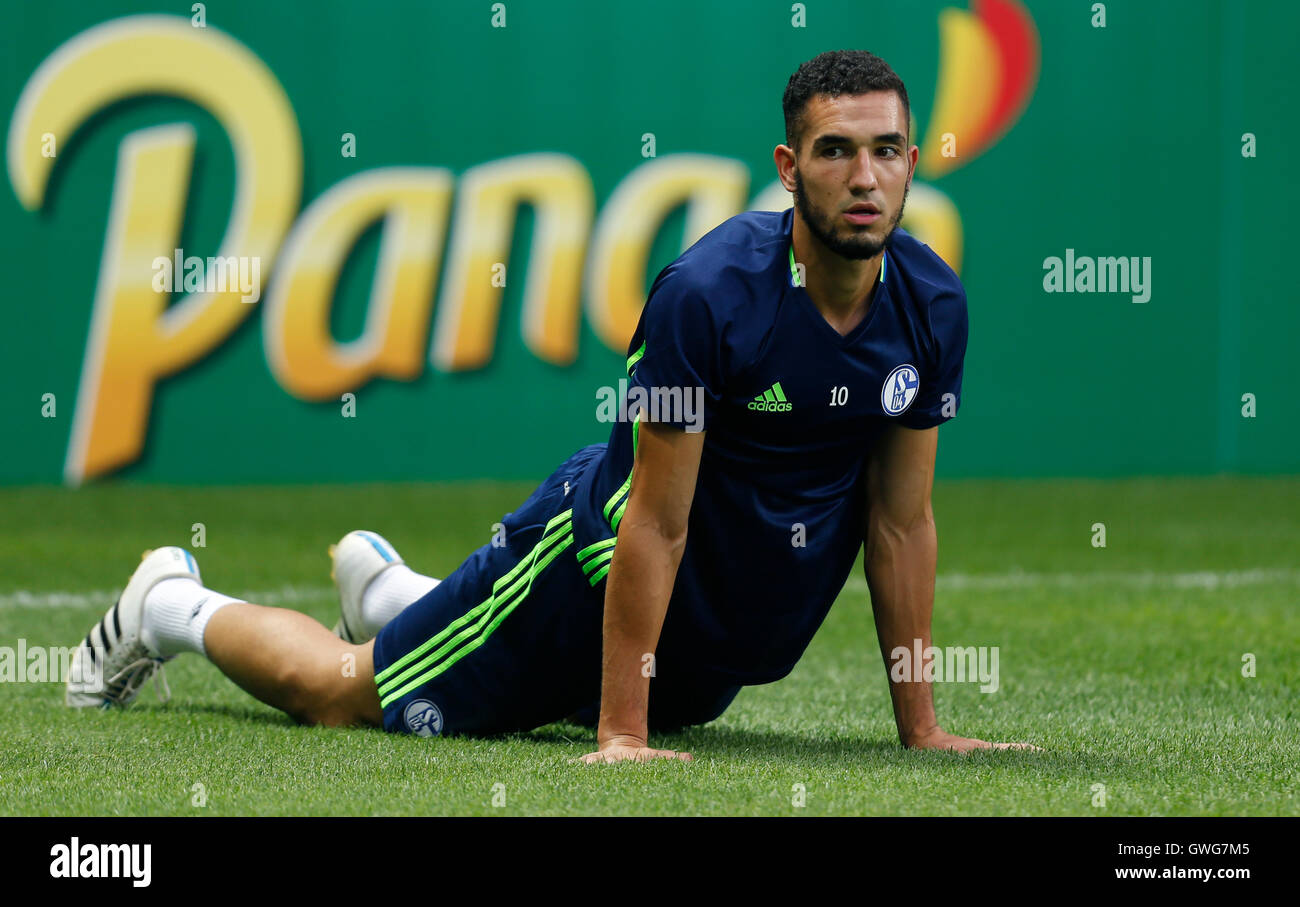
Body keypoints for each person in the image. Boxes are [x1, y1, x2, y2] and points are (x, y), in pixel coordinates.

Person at [65, 50, 1037, 762]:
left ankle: (400, 595)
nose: (864, 178)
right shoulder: (705, 296)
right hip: (590, 574)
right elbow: (651, 522)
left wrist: (925, 730)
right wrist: (622, 733)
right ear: (787, 170)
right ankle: (172, 603)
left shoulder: (931, 302)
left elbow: (900, 522)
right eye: (834, 152)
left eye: (886, 151)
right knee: (342, 691)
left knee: (535, 680)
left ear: (914, 159)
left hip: (709, 637)